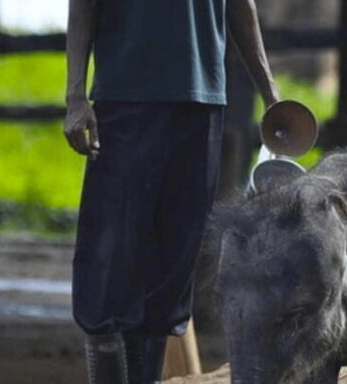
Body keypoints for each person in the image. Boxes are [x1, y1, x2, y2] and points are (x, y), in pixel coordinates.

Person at [64, 0, 279, 382]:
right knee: (110, 262)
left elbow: (241, 7)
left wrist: (271, 95)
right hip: (126, 100)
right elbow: (83, 6)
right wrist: (75, 96)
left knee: (173, 267)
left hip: (202, 104)